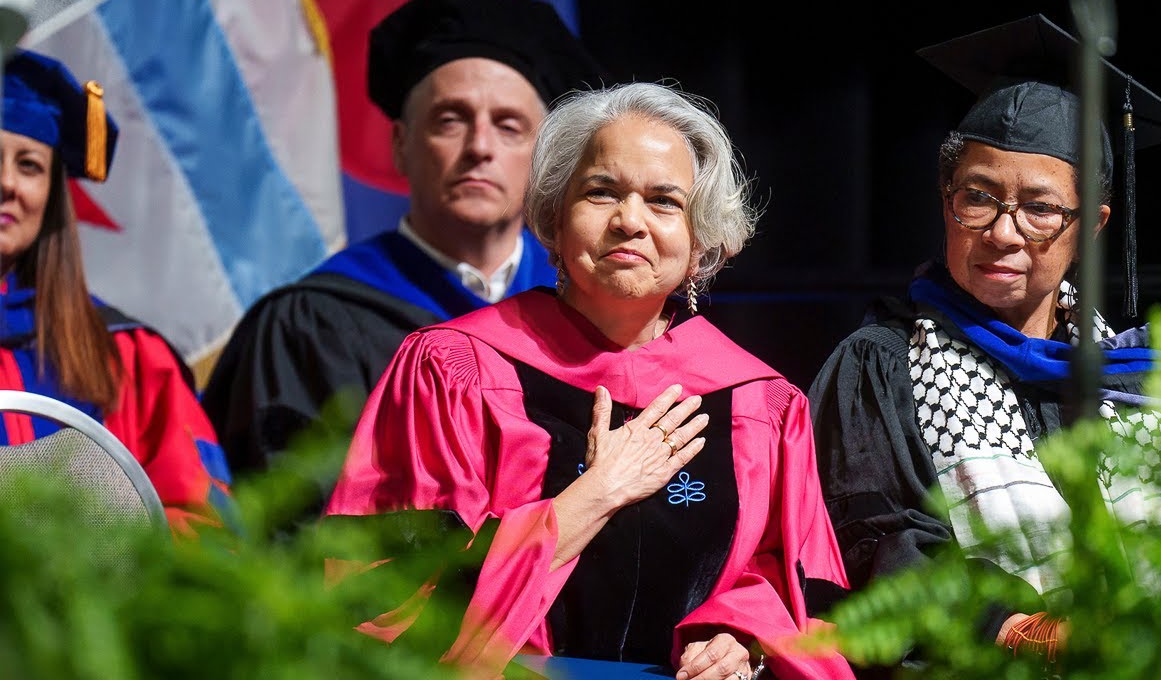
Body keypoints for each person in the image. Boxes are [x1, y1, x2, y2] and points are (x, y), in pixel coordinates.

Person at [323, 82, 856, 680]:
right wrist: (596, 495)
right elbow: (382, 598)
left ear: (700, 239)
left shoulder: (760, 405)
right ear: (555, 216)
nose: (630, 221)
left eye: (664, 201)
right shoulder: (455, 373)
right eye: (601, 193)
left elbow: (797, 591)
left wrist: (743, 636)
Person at [807, 14, 1161, 673]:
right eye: (978, 197)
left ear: (1093, 226)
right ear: (945, 202)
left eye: (1040, 208)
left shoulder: (1141, 381)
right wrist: (1027, 630)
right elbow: (876, 543)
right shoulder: (883, 364)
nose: (1002, 231)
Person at [200, 0, 608, 488]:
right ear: (400, 145)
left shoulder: (592, 316)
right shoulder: (310, 328)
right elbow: (287, 539)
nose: (480, 146)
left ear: (545, 159)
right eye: (450, 120)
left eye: (509, 126)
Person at [1, 48, 233, 539]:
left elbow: (203, 523)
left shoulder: (127, 357)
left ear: (52, 196)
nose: (6, 183)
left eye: (29, 165)